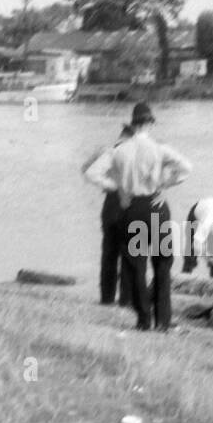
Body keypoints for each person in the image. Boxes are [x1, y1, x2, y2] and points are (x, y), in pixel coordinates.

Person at [97, 102, 192, 331]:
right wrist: (165, 184)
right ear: (150, 123)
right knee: (162, 264)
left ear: (131, 125)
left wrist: (118, 188)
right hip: (157, 204)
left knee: (136, 265)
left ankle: (143, 319)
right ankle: (163, 320)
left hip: (133, 207)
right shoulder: (158, 148)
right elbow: (186, 168)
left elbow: (95, 173)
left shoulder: (120, 149)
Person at [80, 124, 134, 308]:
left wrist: (109, 184)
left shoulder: (109, 151)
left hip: (110, 205)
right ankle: (125, 299)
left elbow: (87, 172)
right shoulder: (128, 152)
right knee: (129, 252)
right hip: (128, 202)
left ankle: (107, 297)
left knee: (109, 254)